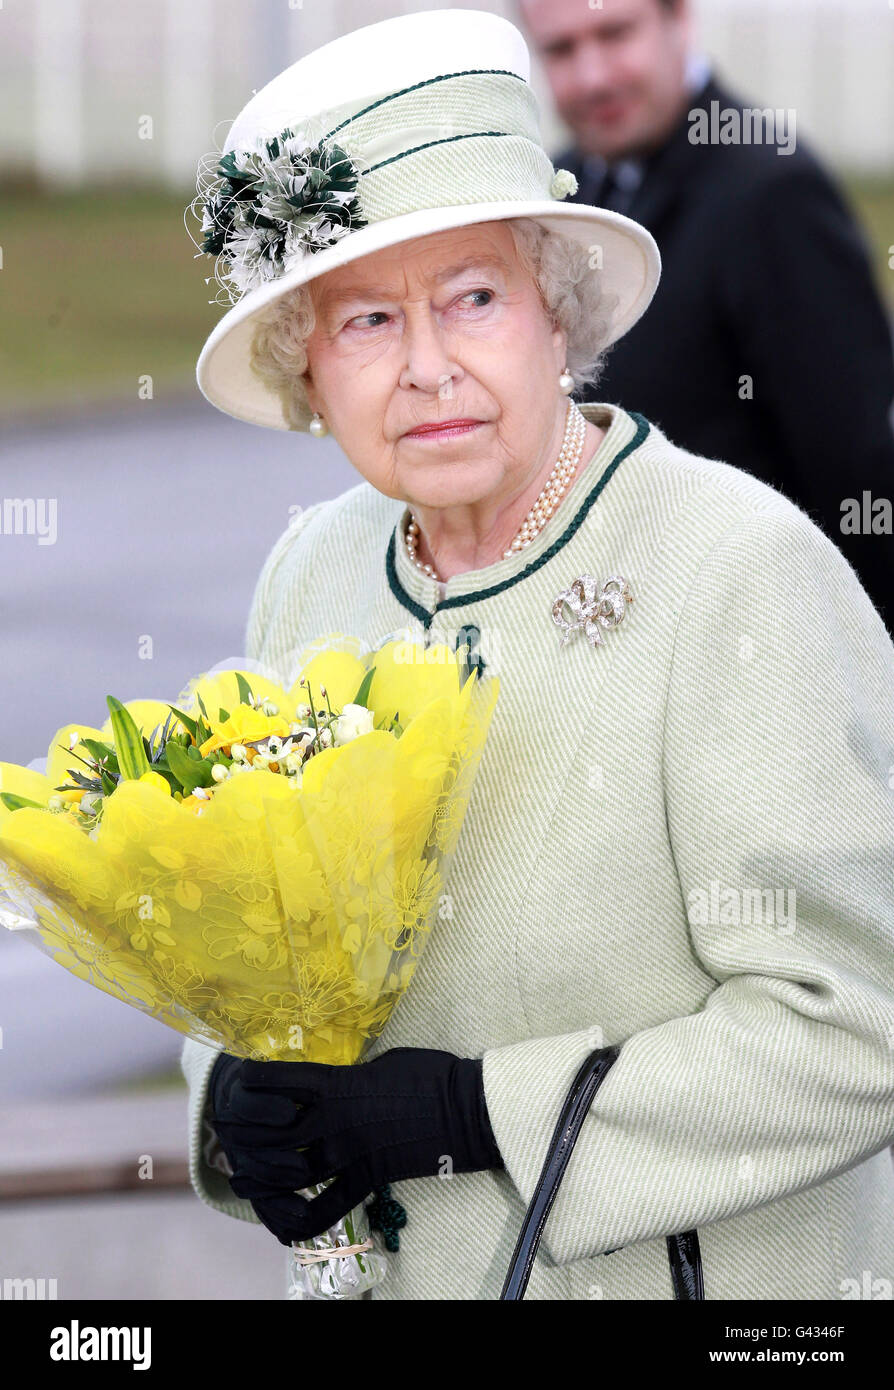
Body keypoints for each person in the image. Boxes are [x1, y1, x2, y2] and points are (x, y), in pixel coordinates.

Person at [180, 8, 894, 1301]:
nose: (430, 369)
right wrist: (230, 1089)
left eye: (473, 298)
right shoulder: (311, 574)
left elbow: (858, 1021)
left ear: (553, 315)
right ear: (306, 376)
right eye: (364, 324)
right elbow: (241, 940)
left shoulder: (736, 567)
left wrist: (473, 1109)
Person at [516, 0, 894, 633]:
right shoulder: (559, 192)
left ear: (678, 19)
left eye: (615, 33)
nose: (593, 76)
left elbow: (857, 472)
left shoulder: (772, 191)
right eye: (561, 50)